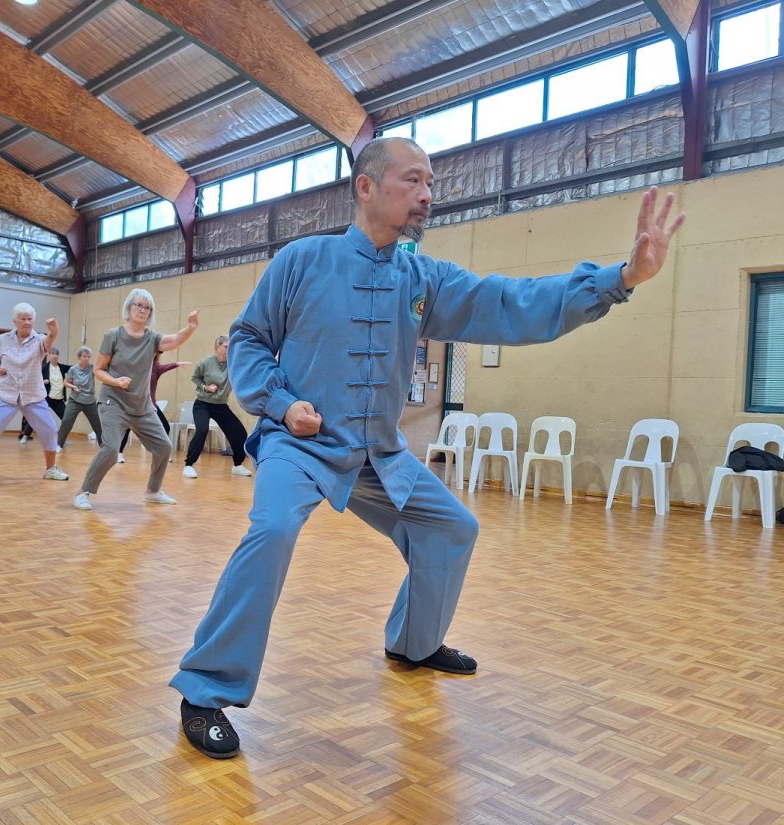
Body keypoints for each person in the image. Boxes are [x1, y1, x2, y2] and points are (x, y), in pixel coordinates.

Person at [170, 137, 685, 759]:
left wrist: (622, 277)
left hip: (377, 455)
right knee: (272, 530)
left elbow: (507, 302)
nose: (427, 195)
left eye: (431, 183)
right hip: (299, 447)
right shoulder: (302, 260)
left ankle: (412, 643)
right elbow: (249, 338)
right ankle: (204, 689)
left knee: (452, 529)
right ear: (366, 187)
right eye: (413, 181)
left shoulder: (422, 277)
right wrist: (280, 405)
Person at [72, 289, 199, 511]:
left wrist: (190, 328)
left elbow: (176, 340)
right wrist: (115, 381)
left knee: (163, 447)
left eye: (147, 307)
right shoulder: (113, 335)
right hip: (114, 403)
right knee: (111, 449)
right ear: (129, 308)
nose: (142, 310)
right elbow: (98, 370)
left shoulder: (153, 339)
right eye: (138, 305)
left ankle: (152, 492)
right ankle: (84, 492)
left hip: (142, 406)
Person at [0, 303, 68, 484]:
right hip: (6, 391)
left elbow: (49, 342)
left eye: (30, 319)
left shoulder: (40, 340)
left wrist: (54, 332)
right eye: (23, 318)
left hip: (32, 393)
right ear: (15, 321)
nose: (27, 322)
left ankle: (50, 469)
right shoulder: (3, 339)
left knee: (49, 428)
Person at [182, 335, 251, 478]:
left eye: (230, 346)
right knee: (202, 430)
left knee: (240, 433)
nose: (228, 349)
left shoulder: (233, 364)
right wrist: (205, 387)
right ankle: (188, 465)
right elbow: (195, 377)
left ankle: (237, 465)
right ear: (217, 347)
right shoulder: (205, 363)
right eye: (226, 346)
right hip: (203, 404)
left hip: (220, 406)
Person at [117, 352, 188, 463]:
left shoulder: (156, 368)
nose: (153, 354)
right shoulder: (135, 367)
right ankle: (119, 453)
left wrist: (177, 364)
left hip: (151, 405)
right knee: (127, 428)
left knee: (165, 427)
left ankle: (161, 452)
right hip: (133, 404)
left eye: (155, 353)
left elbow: (165, 367)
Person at [19, 346, 69, 443]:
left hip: (58, 399)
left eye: (56, 354)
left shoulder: (62, 367)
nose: (55, 356)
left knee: (67, 418)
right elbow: (35, 379)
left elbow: (74, 368)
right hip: (46, 398)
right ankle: (25, 436)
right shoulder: (44, 368)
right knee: (36, 416)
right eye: (53, 354)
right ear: (49, 355)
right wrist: (43, 381)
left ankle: (62, 438)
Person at [57, 346, 102, 451]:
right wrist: (73, 387)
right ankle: (59, 444)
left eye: (88, 356)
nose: (86, 358)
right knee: (66, 421)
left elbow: (102, 367)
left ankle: (103, 446)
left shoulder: (92, 367)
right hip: (75, 400)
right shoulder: (73, 369)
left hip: (90, 401)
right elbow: (66, 382)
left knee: (98, 424)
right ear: (79, 357)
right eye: (84, 356)